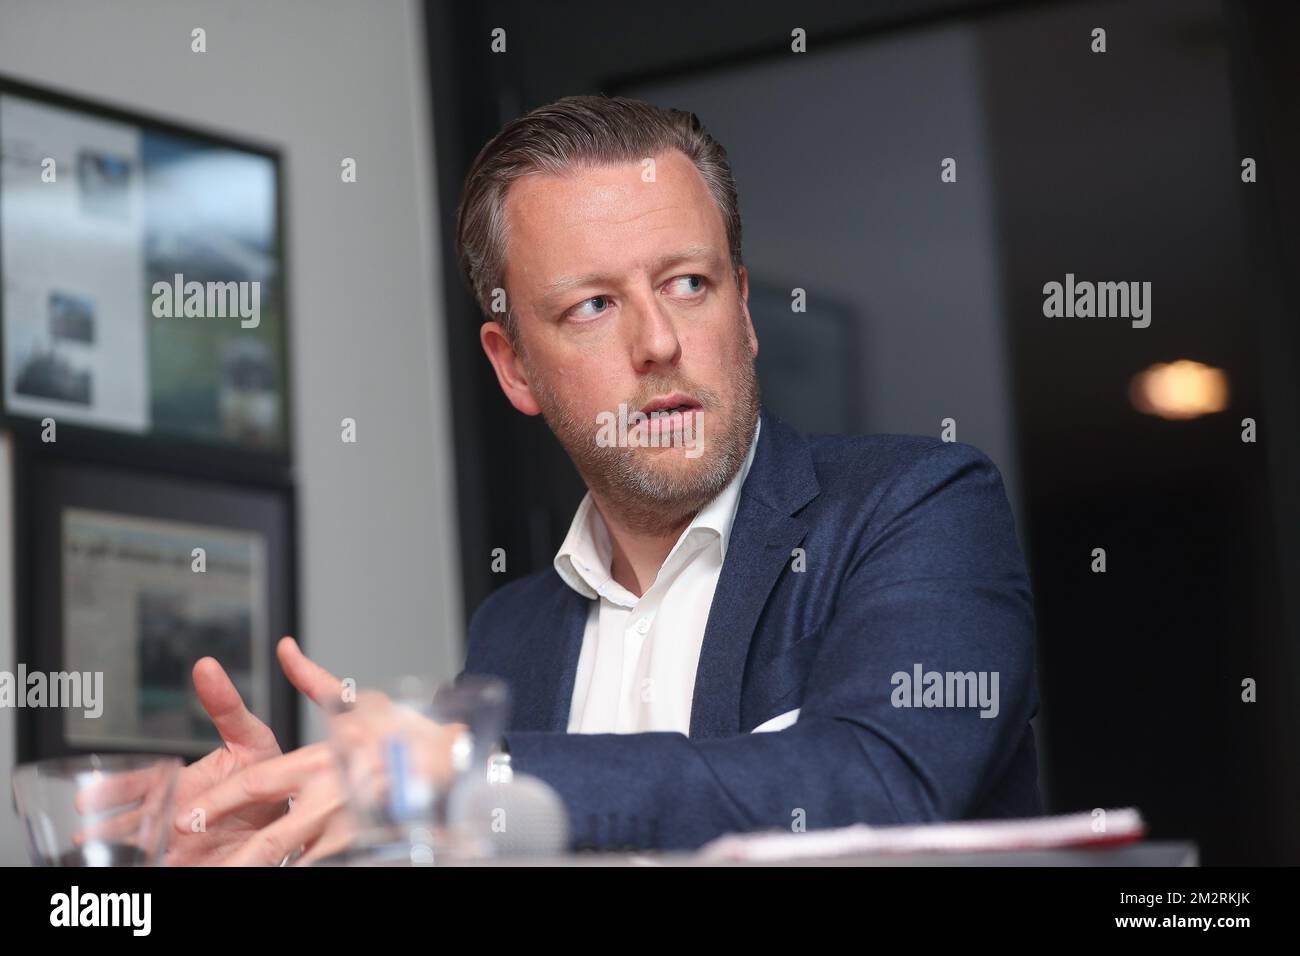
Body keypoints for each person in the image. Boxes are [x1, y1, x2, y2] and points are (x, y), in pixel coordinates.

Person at [165, 94, 1042, 862]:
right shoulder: (511, 632)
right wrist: (301, 845)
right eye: (592, 305)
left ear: (743, 308)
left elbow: (884, 785)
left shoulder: (921, 507)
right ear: (513, 369)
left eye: (689, 283)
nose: (658, 342)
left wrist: (481, 773)